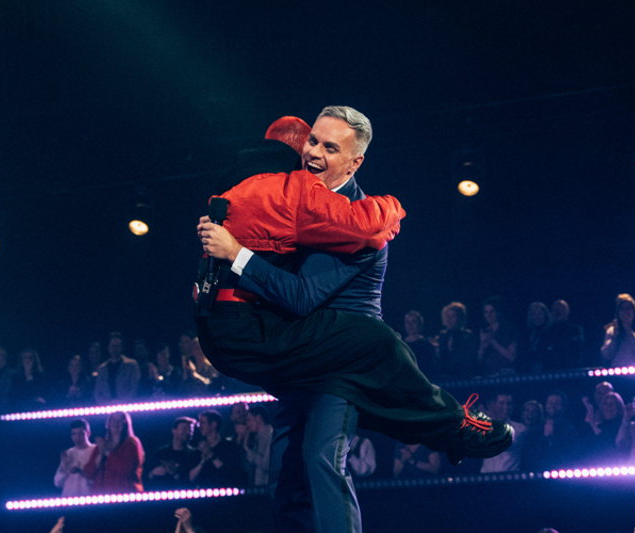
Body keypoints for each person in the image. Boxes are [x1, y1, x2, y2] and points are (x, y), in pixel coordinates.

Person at [196, 108, 511, 532]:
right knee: (284, 475)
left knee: (321, 457)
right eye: (313, 142)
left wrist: (236, 254)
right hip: (303, 349)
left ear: (354, 161)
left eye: (331, 147)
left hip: (343, 355)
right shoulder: (297, 199)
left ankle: (457, 428)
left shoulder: (357, 219)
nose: (315, 154)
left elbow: (304, 296)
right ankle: (451, 432)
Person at [83, 411, 144, 493]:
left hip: (125, 494)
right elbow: (88, 473)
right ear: (108, 423)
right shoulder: (102, 445)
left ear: (125, 424)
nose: (116, 423)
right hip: (102, 495)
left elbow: (125, 470)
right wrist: (100, 454)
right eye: (113, 420)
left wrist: (107, 452)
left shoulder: (131, 443)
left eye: (120, 421)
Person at [188, 410, 246, 488]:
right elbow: (191, 478)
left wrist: (211, 455)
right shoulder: (198, 449)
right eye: (199, 423)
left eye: (203, 423)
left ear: (213, 425)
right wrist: (202, 462)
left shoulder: (229, 447)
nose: (200, 426)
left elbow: (230, 474)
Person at [600, 293, 635, 366]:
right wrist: (614, 337)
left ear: (634, 311)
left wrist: (628, 330)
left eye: (628, 308)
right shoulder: (611, 330)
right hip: (617, 371)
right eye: (622, 309)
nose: (626, 312)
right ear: (618, 313)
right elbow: (606, 355)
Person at [146, 416, 199, 489]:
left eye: (191, 430)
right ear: (174, 430)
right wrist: (153, 473)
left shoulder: (195, 454)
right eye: (184, 429)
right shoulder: (161, 453)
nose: (188, 432)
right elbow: (147, 476)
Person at [432, 302, 478, 379]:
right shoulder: (441, 337)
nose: (448, 320)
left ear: (461, 318)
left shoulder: (468, 336)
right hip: (444, 378)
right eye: (447, 316)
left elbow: (468, 360)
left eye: (452, 316)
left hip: (464, 377)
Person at [94, 332, 141, 404]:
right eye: (113, 346)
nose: (115, 349)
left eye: (117, 346)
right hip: (107, 408)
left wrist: (123, 403)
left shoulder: (131, 365)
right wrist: (106, 404)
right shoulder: (102, 368)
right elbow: (98, 392)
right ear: (108, 347)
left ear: (122, 347)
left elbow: (135, 387)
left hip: (127, 406)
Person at [54, 419, 96, 496]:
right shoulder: (68, 453)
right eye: (74, 434)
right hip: (69, 501)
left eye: (81, 434)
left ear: (88, 433)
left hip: (89, 500)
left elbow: (98, 479)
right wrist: (64, 468)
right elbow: (57, 483)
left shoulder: (96, 450)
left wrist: (80, 471)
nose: (77, 438)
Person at [478, 297, 517, 376]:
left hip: (506, 374)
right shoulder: (484, 331)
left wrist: (493, 342)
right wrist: (482, 347)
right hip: (488, 374)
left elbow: (512, 357)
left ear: (498, 312)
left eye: (492, 311)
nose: (489, 315)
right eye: (486, 312)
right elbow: (479, 360)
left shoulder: (509, 330)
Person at [243, 404, 272, 486]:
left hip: (266, 487)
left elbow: (266, 464)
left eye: (249, 420)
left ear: (258, 418)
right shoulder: (257, 438)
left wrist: (249, 451)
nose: (247, 424)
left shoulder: (270, 436)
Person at [401, 310, 437, 378]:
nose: (410, 325)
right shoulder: (401, 344)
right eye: (407, 322)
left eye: (413, 322)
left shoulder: (427, 345)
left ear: (420, 324)